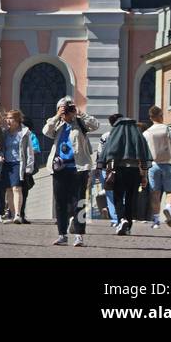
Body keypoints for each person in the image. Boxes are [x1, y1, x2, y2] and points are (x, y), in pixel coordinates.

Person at [43, 96, 99, 247]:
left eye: (68, 109)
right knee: (60, 202)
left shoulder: (80, 123)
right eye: (64, 109)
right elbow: (46, 131)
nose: (67, 112)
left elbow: (96, 125)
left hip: (79, 168)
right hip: (59, 168)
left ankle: (79, 235)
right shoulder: (57, 124)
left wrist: (80, 113)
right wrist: (57, 116)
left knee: (79, 202)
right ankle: (62, 234)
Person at [98, 113, 152, 236]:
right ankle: (128, 225)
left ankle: (121, 219)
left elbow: (109, 154)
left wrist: (108, 172)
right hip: (134, 171)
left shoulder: (114, 134)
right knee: (130, 199)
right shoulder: (138, 135)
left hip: (119, 170)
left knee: (117, 197)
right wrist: (144, 176)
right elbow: (143, 156)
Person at [142, 105, 171, 228]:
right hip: (168, 165)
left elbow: (144, 154)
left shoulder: (146, 133)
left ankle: (155, 221)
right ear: (161, 116)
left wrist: (143, 171)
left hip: (153, 166)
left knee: (155, 194)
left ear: (150, 118)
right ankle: (168, 208)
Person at [1, 109, 34, 224]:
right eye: (7, 118)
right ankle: (13, 214)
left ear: (17, 120)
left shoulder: (24, 132)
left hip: (18, 163)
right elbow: (1, 148)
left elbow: (29, 150)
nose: (8, 121)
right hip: (7, 163)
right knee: (9, 190)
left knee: (17, 188)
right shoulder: (4, 133)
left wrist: (29, 167)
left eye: (11, 118)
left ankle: (18, 214)